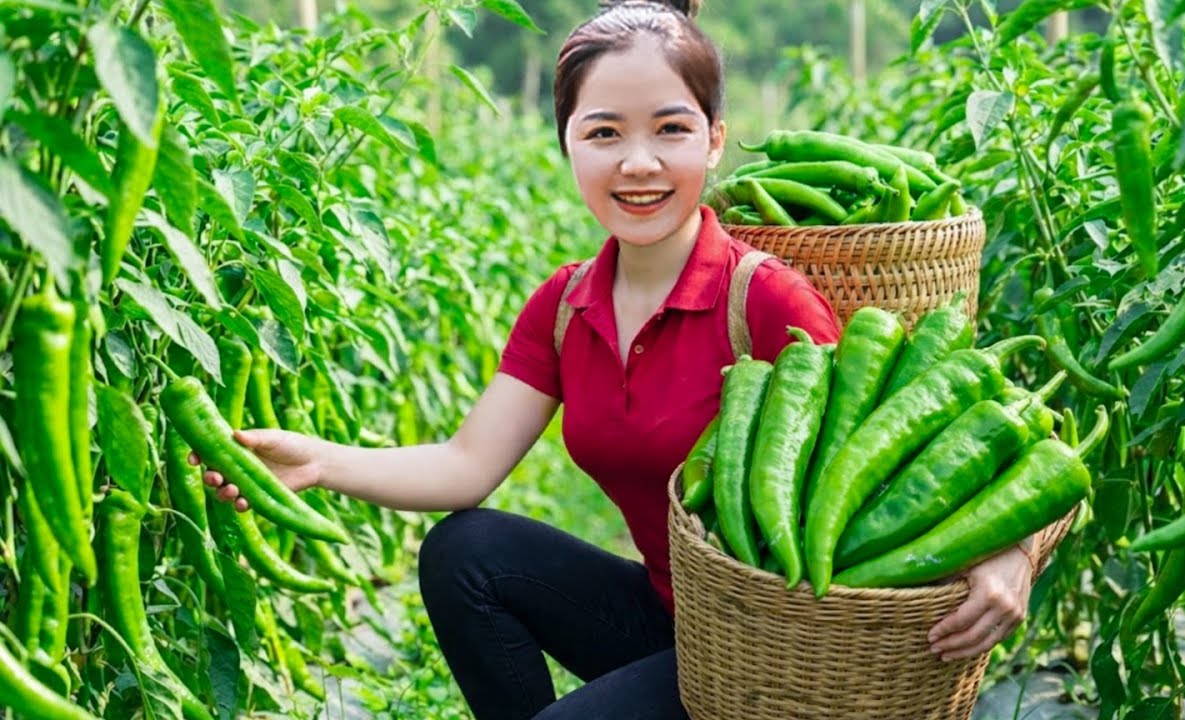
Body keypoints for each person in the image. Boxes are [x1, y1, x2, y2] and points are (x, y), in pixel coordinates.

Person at [194, 1, 1040, 717]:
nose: (638, 163)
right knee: (464, 552)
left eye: (670, 129)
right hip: (678, 617)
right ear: (568, 143)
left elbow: (927, 451)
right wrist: (317, 462)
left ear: (713, 141)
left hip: (780, 645)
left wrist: (1013, 553)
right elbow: (464, 466)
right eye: (604, 132)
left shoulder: (764, 301)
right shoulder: (566, 305)